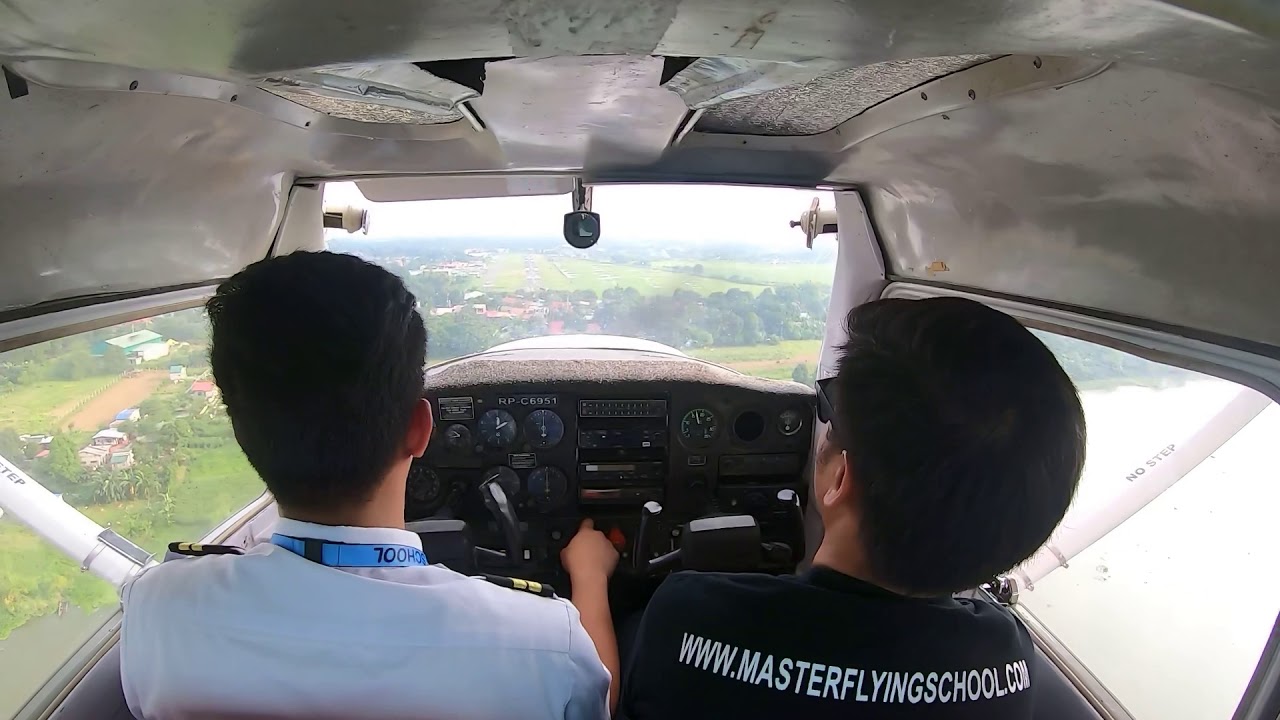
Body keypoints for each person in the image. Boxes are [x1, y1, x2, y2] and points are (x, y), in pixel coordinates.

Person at [119, 251, 612, 720]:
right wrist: (589, 577)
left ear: (242, 432)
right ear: (420, 430)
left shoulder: (157, 610)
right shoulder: (543, 641)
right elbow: (600, 705)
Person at [616, 297, 1087, 719]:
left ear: (842, 477)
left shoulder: (688, 617)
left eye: (831, 414)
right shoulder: (1006, 664)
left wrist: (593, 581)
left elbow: (601, 696)